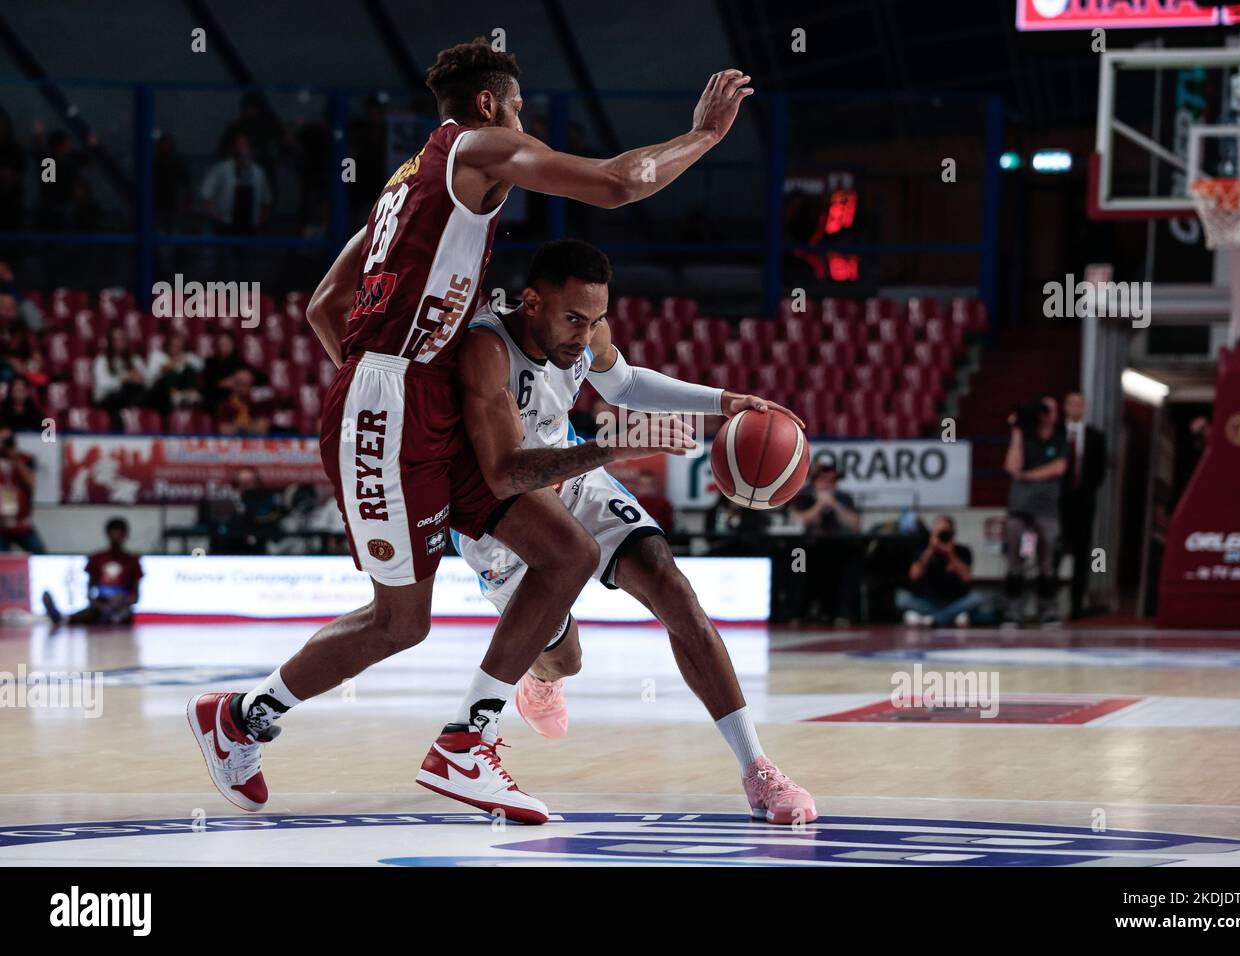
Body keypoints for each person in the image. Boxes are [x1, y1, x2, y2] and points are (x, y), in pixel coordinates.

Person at [188, 38, 753, 824]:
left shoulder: (402, 184)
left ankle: (465, 740)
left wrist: (393, 378)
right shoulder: (479, 147)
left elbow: (324, 306)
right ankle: (243, 716)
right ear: (490, 104)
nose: (526, 128)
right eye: (520, 110)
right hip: (392, 406)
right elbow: (621, 183)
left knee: (569, 550)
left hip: (414, 399)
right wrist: (705, 136)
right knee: (401, 622)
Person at [452, 239, 815, 823]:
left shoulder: (585, 332)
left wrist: (725, 402)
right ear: (532, 302)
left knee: (673, 590)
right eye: (574, 319)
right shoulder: (485, 350)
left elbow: (623, 386)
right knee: (564, 658)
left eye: (596, 320)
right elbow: (505, 473)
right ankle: (541, 678)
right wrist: (615, 447)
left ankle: (758, 770)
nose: (586, 334)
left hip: (571, 475)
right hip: (503, 513)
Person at [1004, 395, 1067, 623]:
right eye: (1047, 410)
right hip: (1020, 506)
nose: (1051, 414)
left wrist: (1029, 475)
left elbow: (1059, 467)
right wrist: (1017, 431)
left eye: (1053, 410)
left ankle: (1047, 608)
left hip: (1047, 508)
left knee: (1047, 561)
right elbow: (1012, 466)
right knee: (1015, 561)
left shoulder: (1060, 438)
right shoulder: (1025, 436)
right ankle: (1013, 608)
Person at [790, 463, 862, 625]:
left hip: (836, 547)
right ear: (814, 481)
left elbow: (855, 525)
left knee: (852, 560)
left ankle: (842, 612)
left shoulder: (843, 497)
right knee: (796, 563)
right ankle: (798, 611)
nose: (828, 485)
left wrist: (835, 505)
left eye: (832, 481)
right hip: (807, 548)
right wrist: (820, 505)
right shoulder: (804, 496)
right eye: (824, 480)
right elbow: (799, 520)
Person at [42, 518, 142, 625]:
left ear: (125, 535)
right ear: (107, 534)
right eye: (113, 532)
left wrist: (122, 601)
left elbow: (136, 597)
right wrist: (99, 605)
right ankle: (62, 618)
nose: (116, 536)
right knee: (91, 615)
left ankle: (66, 619)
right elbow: (89, 592)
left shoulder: (133, 561)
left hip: (122, 608)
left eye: (119, 532)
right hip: (99, 606)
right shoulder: (97, 558)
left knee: (119, 617)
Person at [1059, 392, 1107, 619]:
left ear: (1085, 408)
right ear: (1065, 407)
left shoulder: (1095, 436)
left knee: (1083, 553)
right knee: (1054, 550)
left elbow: (1099, 471)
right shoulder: (1057, 434)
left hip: (1084, 503)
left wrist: (1084, 492)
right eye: (1072, 404)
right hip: (1057, 503)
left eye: (1080, 404)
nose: (1076, 408)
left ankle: (1077, 603)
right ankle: (1047, 600)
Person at [897, 515, 982, 627]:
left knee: (976, 599)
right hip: (927, 601)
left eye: (945, 533)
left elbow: (966, 577)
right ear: (933, 533)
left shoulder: (962, 551)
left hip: (954, 600)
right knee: (901, 598)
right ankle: (951, 617)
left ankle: (930, 619)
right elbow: (914, 575)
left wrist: (950, 553)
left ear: (953, 533)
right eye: (939, 532)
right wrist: (931, 549)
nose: (942, 536)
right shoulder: (923, 550)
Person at [93, 327, 149, 422]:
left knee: (142, 392)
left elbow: (146, 379)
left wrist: (139, 378)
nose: (120, 342)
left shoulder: (135, 359)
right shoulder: (101, 360)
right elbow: (103, 384)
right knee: (124, 390)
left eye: (123, 339)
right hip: (107, 400)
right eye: (117, 339)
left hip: (130, 398)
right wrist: (124, 378)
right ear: (110, 342)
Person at [0, 426, 41, 552]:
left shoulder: (25, 459)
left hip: (21, 524)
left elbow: (31, 482)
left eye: (8, 439)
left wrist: (15, 459)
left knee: (40, 554)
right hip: (1, 525)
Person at [146, 332, 203, 414]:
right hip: (162, 393)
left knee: (189, 369)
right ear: (168, 345)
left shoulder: (186, 356)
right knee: (169, 372)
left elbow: (200, 366)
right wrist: (164, 368)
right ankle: (175, 395)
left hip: (183, 391)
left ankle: (190, 393)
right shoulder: (158, 356)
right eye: (174, 345)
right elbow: (149, 378)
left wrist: (184, 360)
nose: (177, 348)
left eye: (180, 346)